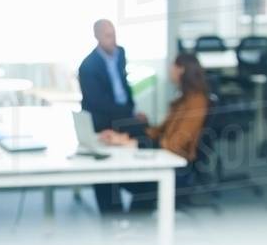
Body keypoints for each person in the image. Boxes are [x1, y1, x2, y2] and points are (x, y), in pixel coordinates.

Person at [98, 52, 210, 213]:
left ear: (181, 69)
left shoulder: (196, 101)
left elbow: (175, 143)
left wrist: (136, 144)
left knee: (109, 178)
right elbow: (160, 131)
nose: (170, 69)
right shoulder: (183, 99)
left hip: (177, 169)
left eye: (173, 66)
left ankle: (121, 222)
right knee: (106, 176)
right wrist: (125, 138)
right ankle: (119, 221)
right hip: (166, 156)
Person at [78, 19, 145, 213]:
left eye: (114, 34)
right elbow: (98, 102)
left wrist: (132, 111)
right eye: (108, 36)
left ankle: (139, 201)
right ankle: (110, 214)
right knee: (104, 168)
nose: (113, 39)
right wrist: (128, 114)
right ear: (97, 36)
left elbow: (123, 85)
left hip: (124, 115)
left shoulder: (120, 53)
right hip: (103, 120)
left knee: (137, 150)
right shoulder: (88, 66)